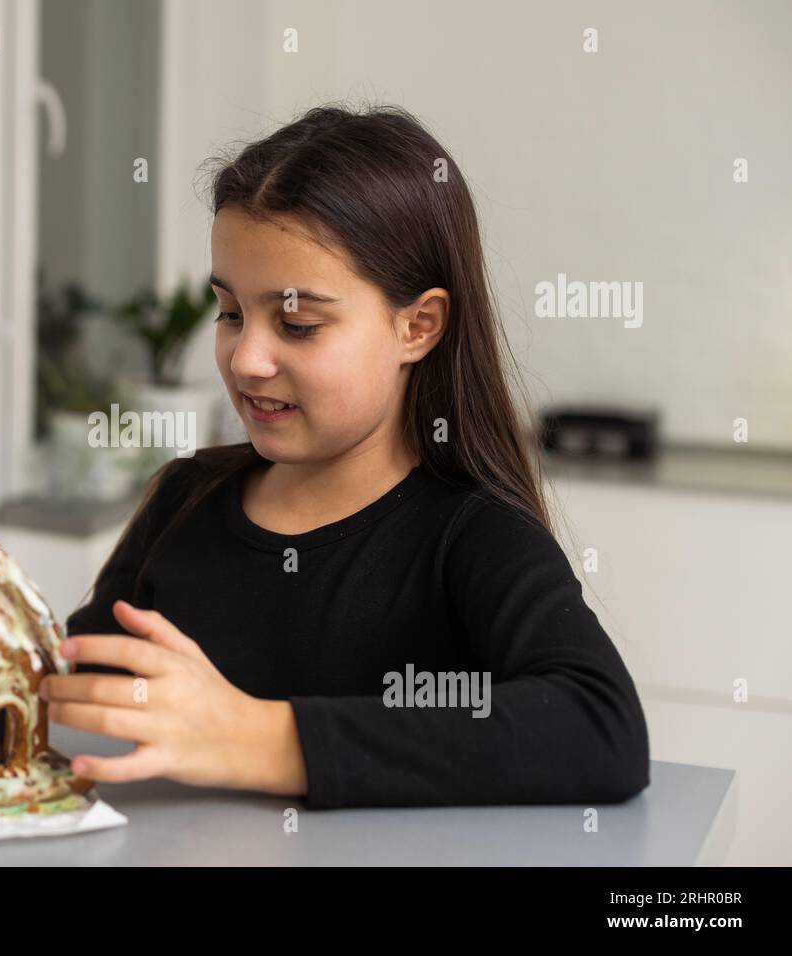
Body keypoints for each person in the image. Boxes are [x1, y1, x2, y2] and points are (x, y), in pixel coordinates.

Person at [41, 103, 650, 809]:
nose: (246, 357)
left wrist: (260, 739)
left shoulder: (470, 534)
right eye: (230, 312)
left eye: (297, 325)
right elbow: (77, 690)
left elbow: (602, 730)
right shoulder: (186, 498)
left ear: (417, 326)